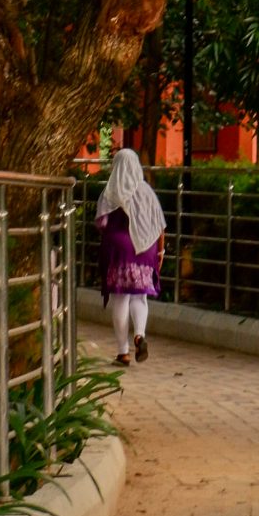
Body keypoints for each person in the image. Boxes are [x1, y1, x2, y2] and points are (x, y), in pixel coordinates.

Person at [95, 145, 166, 365]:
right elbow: (159, 224)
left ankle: (123, 352)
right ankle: (139, 335)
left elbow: (101, 223)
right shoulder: (147, 192)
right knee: (139, 296)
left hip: (119, 252)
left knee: (120, 298)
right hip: (145, 250)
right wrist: (161, 251)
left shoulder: (110, 192)